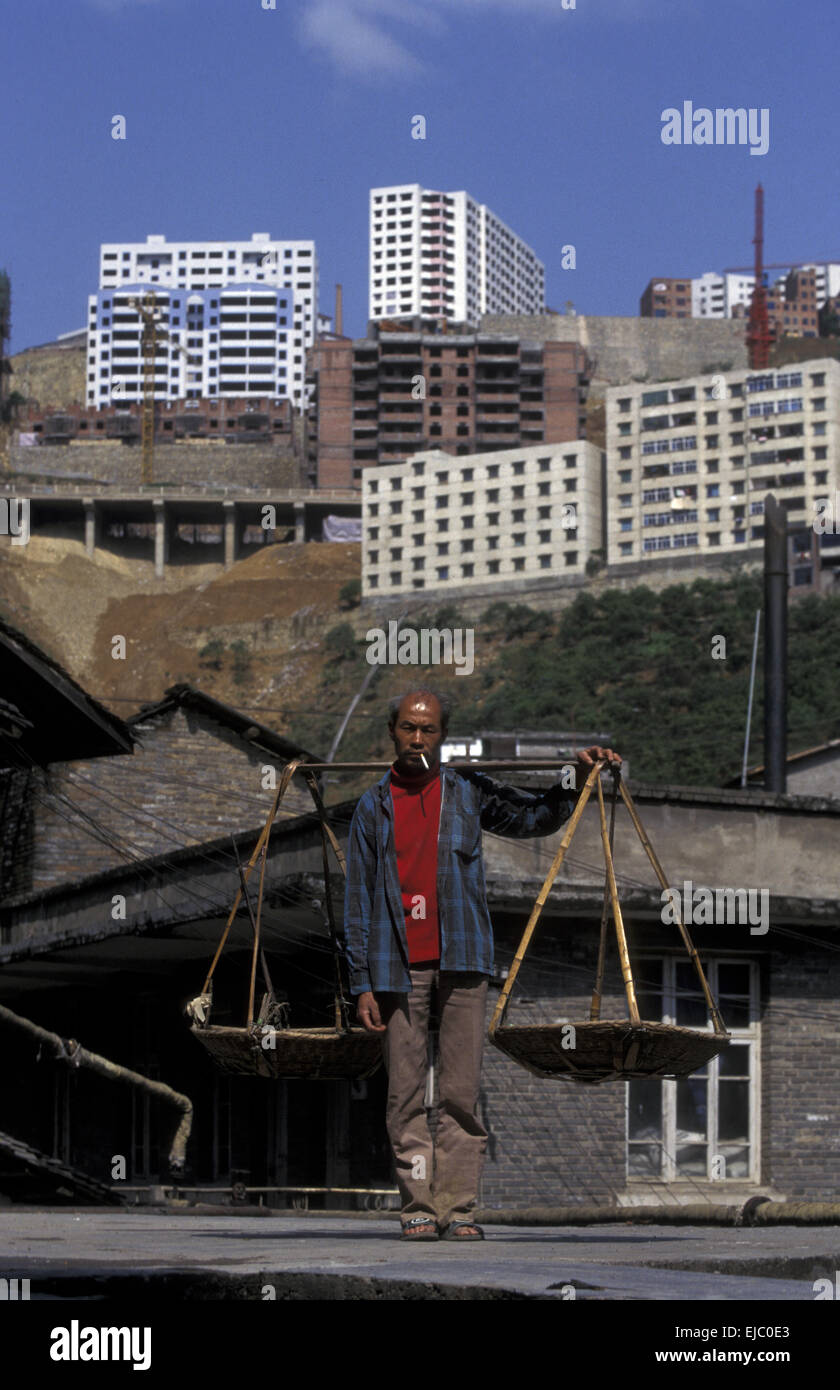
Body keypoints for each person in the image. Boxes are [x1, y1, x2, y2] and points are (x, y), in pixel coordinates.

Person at [343, 688, 621, 1241]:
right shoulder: (371, 808)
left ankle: (459, 1207)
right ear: (392, 732)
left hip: (463, 959)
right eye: (407, 728)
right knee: (403, 1094)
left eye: (428, 729)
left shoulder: (466, 791)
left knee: (460, 1092)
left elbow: (534, 818)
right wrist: (362, 983)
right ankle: (417, 1205)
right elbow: (356, 900)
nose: (417, 738)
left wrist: (574, 775)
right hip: (396, 967)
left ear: (443, 736)